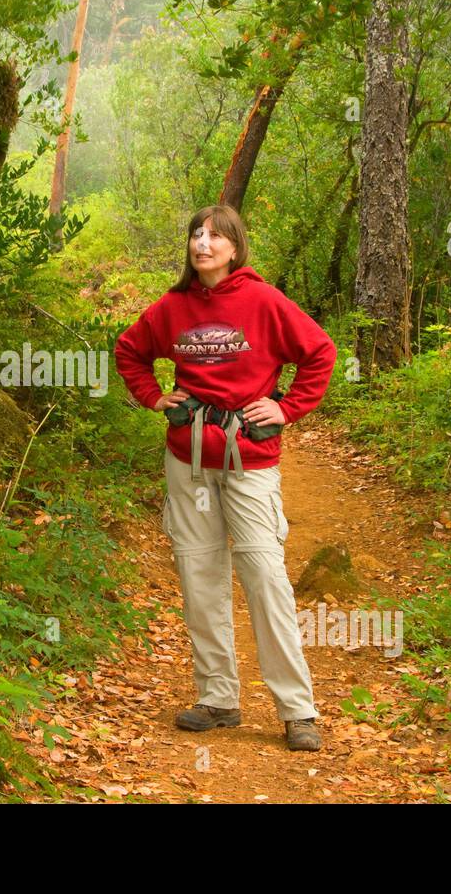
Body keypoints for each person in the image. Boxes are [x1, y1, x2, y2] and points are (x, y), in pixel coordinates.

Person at [113, 203, 337, 752]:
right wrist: (153, 396)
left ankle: (296, 709)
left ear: (235, 248)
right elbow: (130, 351)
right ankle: (217, 698)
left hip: (249, 461)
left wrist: (286, 409)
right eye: (196, 234)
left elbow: (319, 352)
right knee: (199, 576)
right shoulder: (173, 306)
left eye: (215, 236)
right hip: (187, 458)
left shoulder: (263, 301)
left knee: (264, 576)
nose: (203, 243)